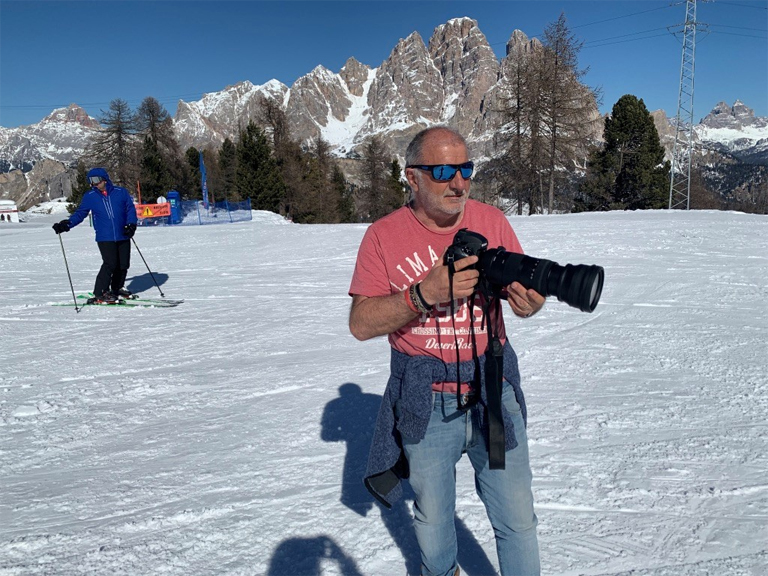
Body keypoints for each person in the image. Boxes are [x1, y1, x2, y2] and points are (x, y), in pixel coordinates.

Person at [348, 126, 546, 576]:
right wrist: (422, 295)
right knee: (434, 522)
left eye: (465, 169)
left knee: (518, 520)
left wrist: (529, 304)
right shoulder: (383, 236)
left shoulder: (492, 221)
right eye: (442, 171)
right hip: (426, 398)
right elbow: (360, 324)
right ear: (412, 179)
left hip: (494, 391)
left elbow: (527, 298)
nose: (458, 182)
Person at [52, 167, 138, 304]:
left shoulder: (120, 192)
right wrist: (67, 224)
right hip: (105, 236)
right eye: (91, 181)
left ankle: (116, 288)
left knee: (123, 264)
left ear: (105, 179)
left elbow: (130, 209)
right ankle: (100, 292)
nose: (94, 184)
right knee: (110, 264)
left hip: (123, 234)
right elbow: (80, 213)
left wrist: (131, 224)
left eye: (96, 180)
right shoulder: (90, 196)